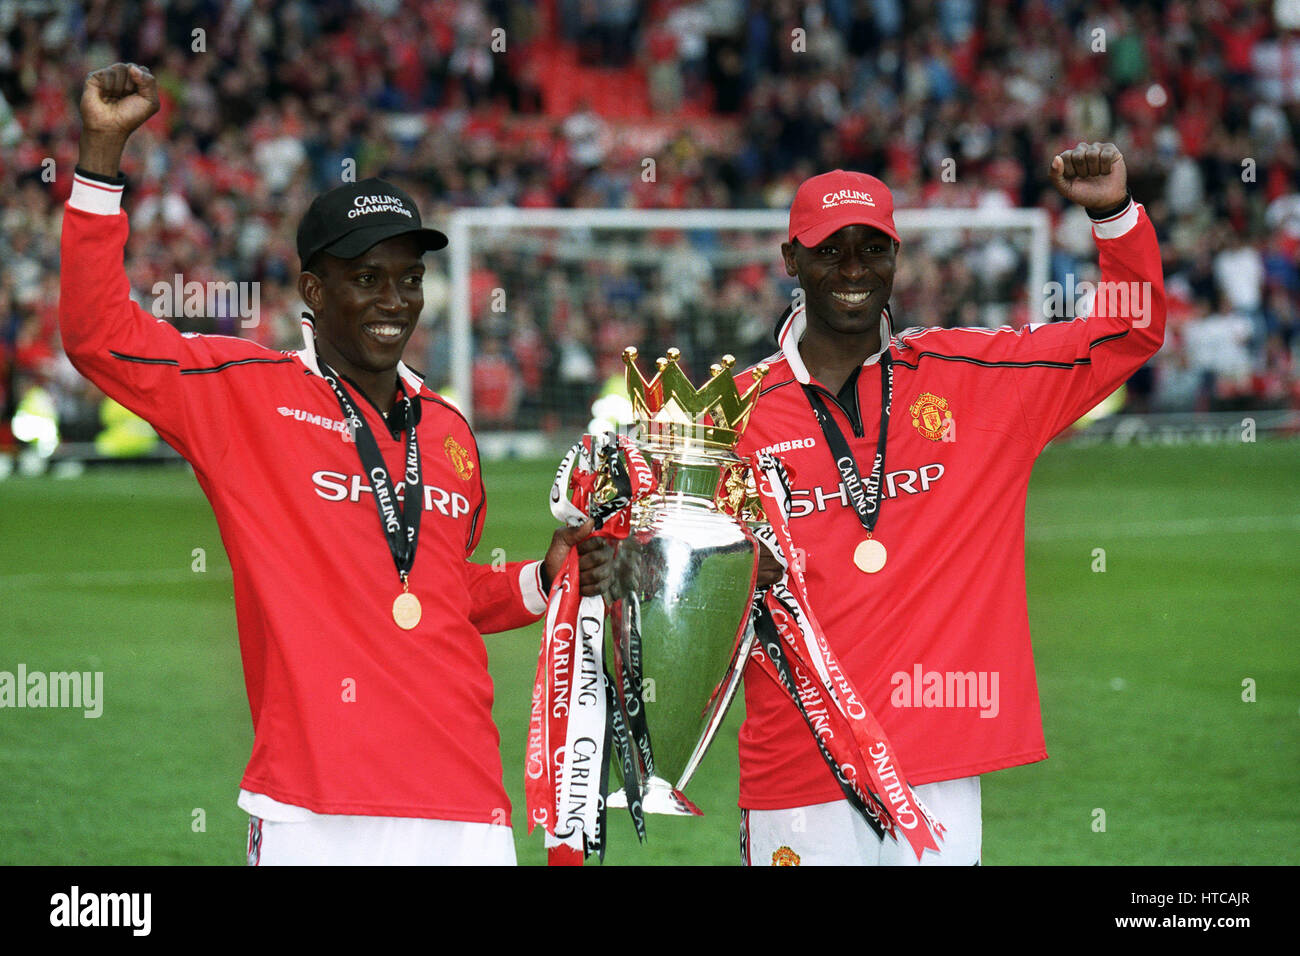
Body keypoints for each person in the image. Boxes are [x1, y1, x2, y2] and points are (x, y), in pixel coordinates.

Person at [60, 62, 609, 865]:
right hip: (313, 811)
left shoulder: (450, 433)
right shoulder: (244, 396)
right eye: (367, 279)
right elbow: (96, 333)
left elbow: (434, 590)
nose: (395, 300)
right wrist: (101, 157)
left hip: (466, 809)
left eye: (409, 279)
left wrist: (539, 577)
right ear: (313, 290)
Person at [736, 146, 1165, 865]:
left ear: (897, 258)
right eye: (830, 250)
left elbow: (1127, 335)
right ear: (790, 259)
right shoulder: (735, 415)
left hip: (935, 763)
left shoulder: (976, 380)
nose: (852, 269)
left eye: (873, 249)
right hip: (796, 764)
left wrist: (1112, 217)